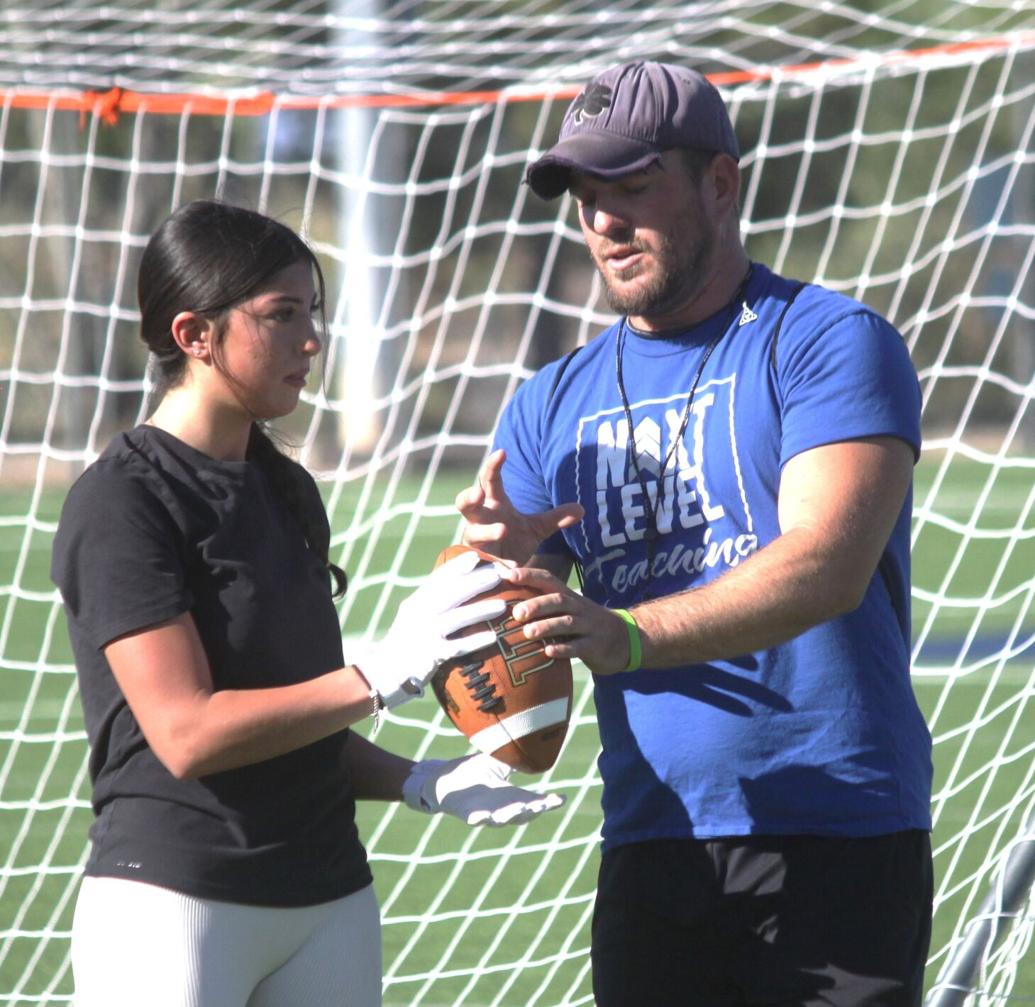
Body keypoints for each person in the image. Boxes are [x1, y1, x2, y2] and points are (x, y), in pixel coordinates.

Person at [458, 61, 934, 1006]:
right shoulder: (548, 402)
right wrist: (497, 573)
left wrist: (627, 633)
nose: (602, 220)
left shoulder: (827, 339)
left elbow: (824, 566)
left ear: (720, 184)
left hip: (836, 831)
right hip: (653, 839)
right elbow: (522, 613)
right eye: (587, 197)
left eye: (632, 187)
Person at [50, 199, 562, 1007]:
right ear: (194, 334)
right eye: (281, 315)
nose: (311, 340)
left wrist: (422, 780)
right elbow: (187, 734)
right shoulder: (122, 501)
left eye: (311, 312)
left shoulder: (287, 491)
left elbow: (300, 727)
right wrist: (379, 673)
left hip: (329, 900)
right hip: (177, 904)